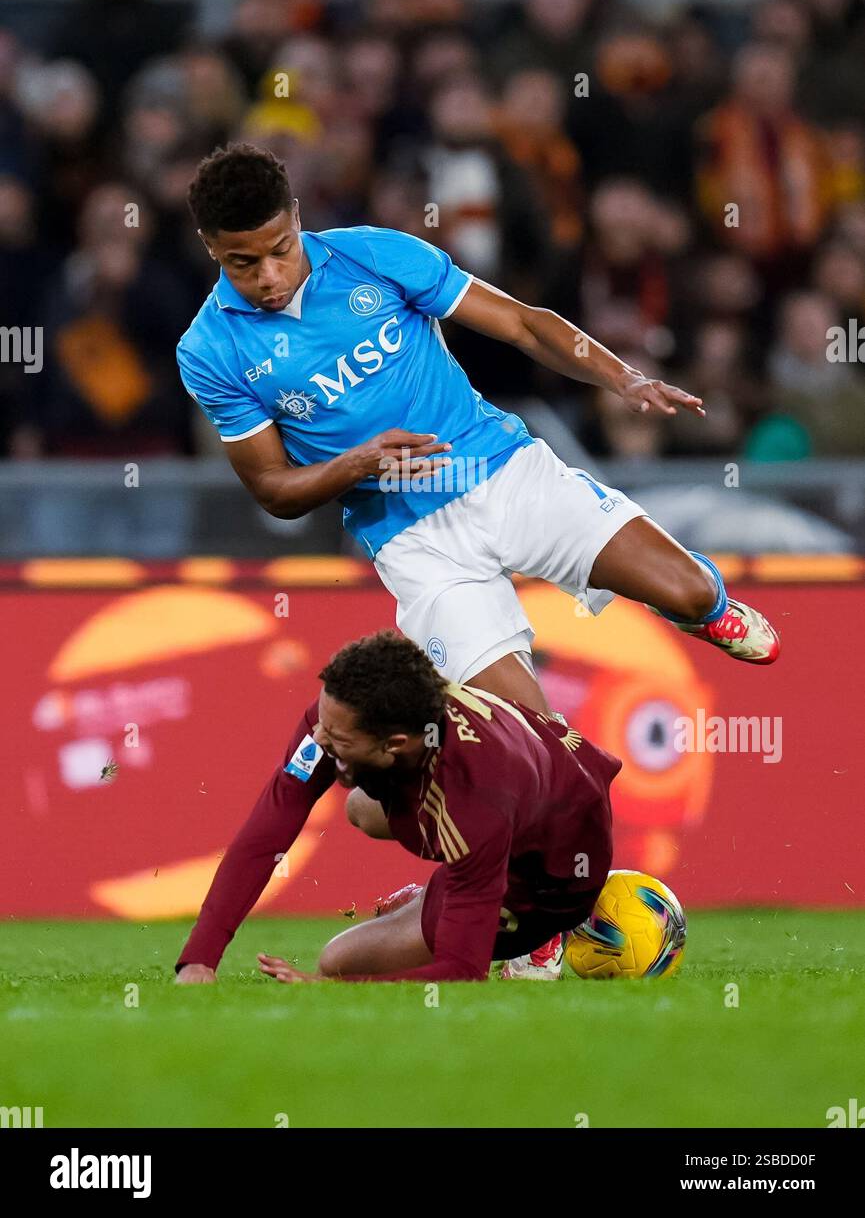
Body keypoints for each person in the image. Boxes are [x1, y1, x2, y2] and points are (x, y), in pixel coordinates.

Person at [176, 141, 780, 977]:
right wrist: (359, 464)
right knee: (538, 749)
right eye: (244, 263)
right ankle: (530, 928)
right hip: (415, 547)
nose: (269, 275)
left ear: (298, 223)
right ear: (213, 251)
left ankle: (704, 608)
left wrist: (622, 379)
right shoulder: (210, 350)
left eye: (279, 250)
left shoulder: (375, 256)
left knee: (683, 585)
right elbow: (275, 490)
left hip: (501, 471)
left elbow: (525, 322)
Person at [176, 630, 620, 985]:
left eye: (339, 740)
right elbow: (268, 831)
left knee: (337, 962)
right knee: (358, 806)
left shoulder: (473, 802)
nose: (320, 742)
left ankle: (502, 921)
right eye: (322, 723)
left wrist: (328, 988)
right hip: (520, 798)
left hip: (548, 882)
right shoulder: (355, 713)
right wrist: (200, 959)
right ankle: (442, 898)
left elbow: (461, 972)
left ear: (395, 744)